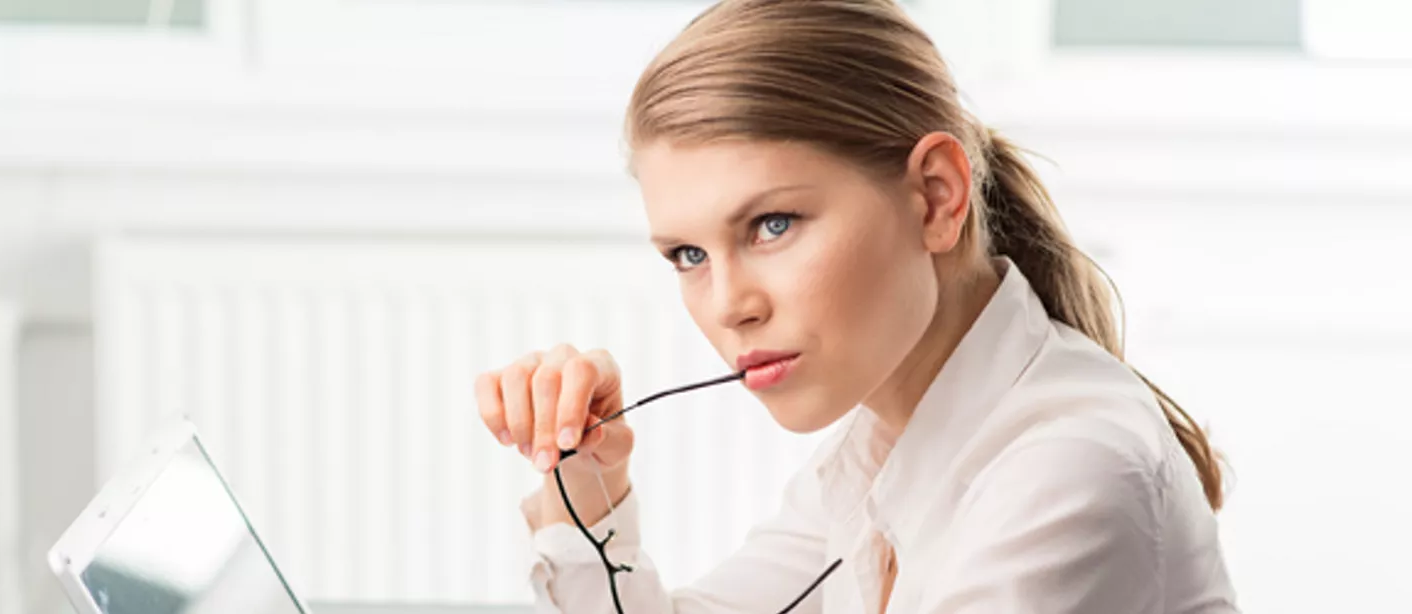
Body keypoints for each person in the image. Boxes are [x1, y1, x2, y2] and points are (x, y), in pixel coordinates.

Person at [472, 0, 1238, 612]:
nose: (729, 305)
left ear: (936, 196)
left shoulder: (1069, 469)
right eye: (689, 256)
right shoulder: (879, 451)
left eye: (773, 225)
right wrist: (585, 483)